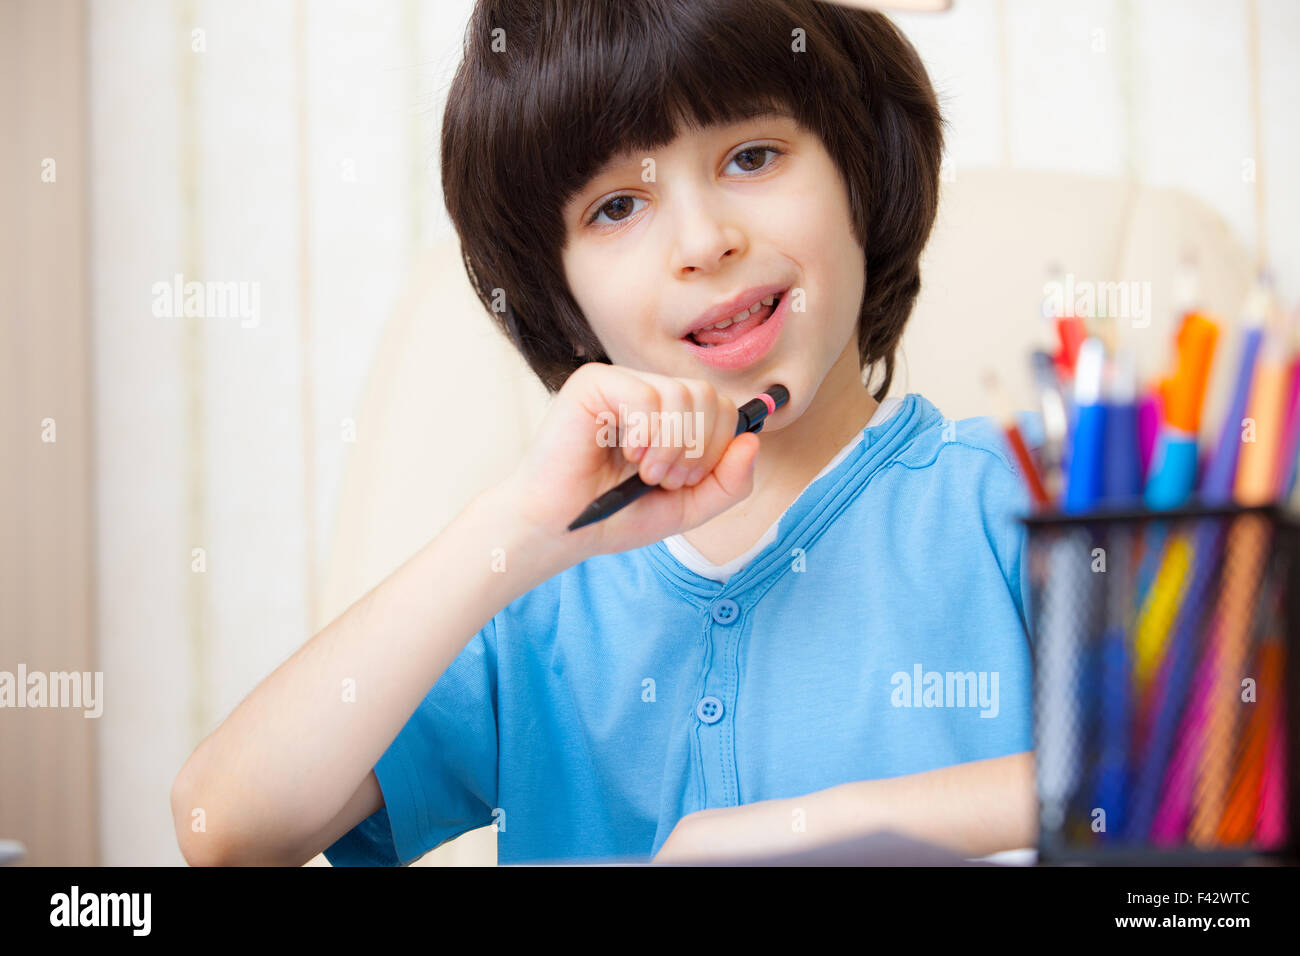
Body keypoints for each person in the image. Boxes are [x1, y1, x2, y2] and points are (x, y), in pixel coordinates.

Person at [171, 0, 1038, 867]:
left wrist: (785, 835)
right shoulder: (542, 597)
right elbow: (225, 827)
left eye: (752, 155)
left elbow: (1168, 800)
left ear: (862, 172)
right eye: (619, 207)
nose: (703, 241)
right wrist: (516, 529)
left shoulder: (1023, 504)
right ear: (562, 300)